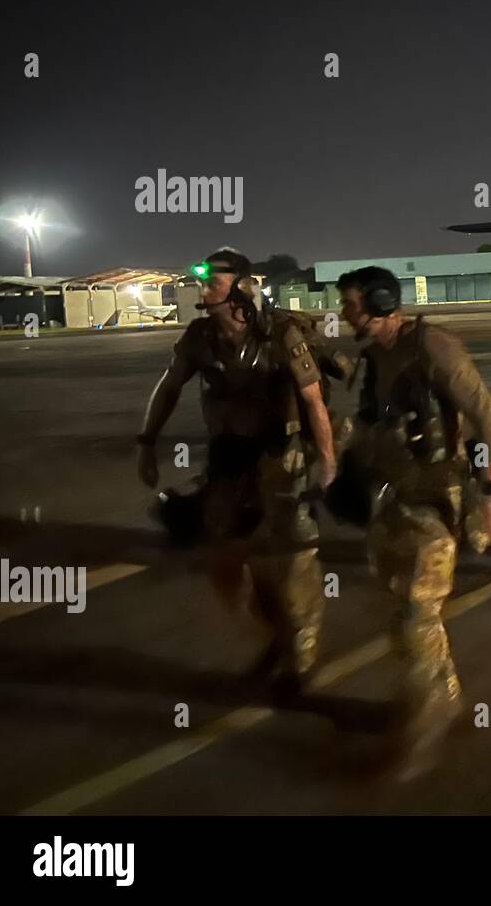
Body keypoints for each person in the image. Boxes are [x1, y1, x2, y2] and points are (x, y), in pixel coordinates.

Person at [337, 266, 491, 777]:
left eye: (350, 304)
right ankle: (446, 692)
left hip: (439, 493)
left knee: (416, 607)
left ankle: (427, 718)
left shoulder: (433, 346)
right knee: (404, 605)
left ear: (381, 301)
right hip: (396, 497)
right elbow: (374, 423)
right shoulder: (374, 356)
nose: (344, 314)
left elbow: (487, 414)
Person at [136, 248, 337, 690]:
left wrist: (326, 460)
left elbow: (313, 401)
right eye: (202, 281)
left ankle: (301, 655)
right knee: (225, 561)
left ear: (242, 288)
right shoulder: (199, 337)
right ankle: (275, 635)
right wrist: (147, 444)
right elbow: (169, 387)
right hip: (229, 456)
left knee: (292, 559)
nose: (203, 287)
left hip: (281, 455)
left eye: (213, 280)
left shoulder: (280, 334)